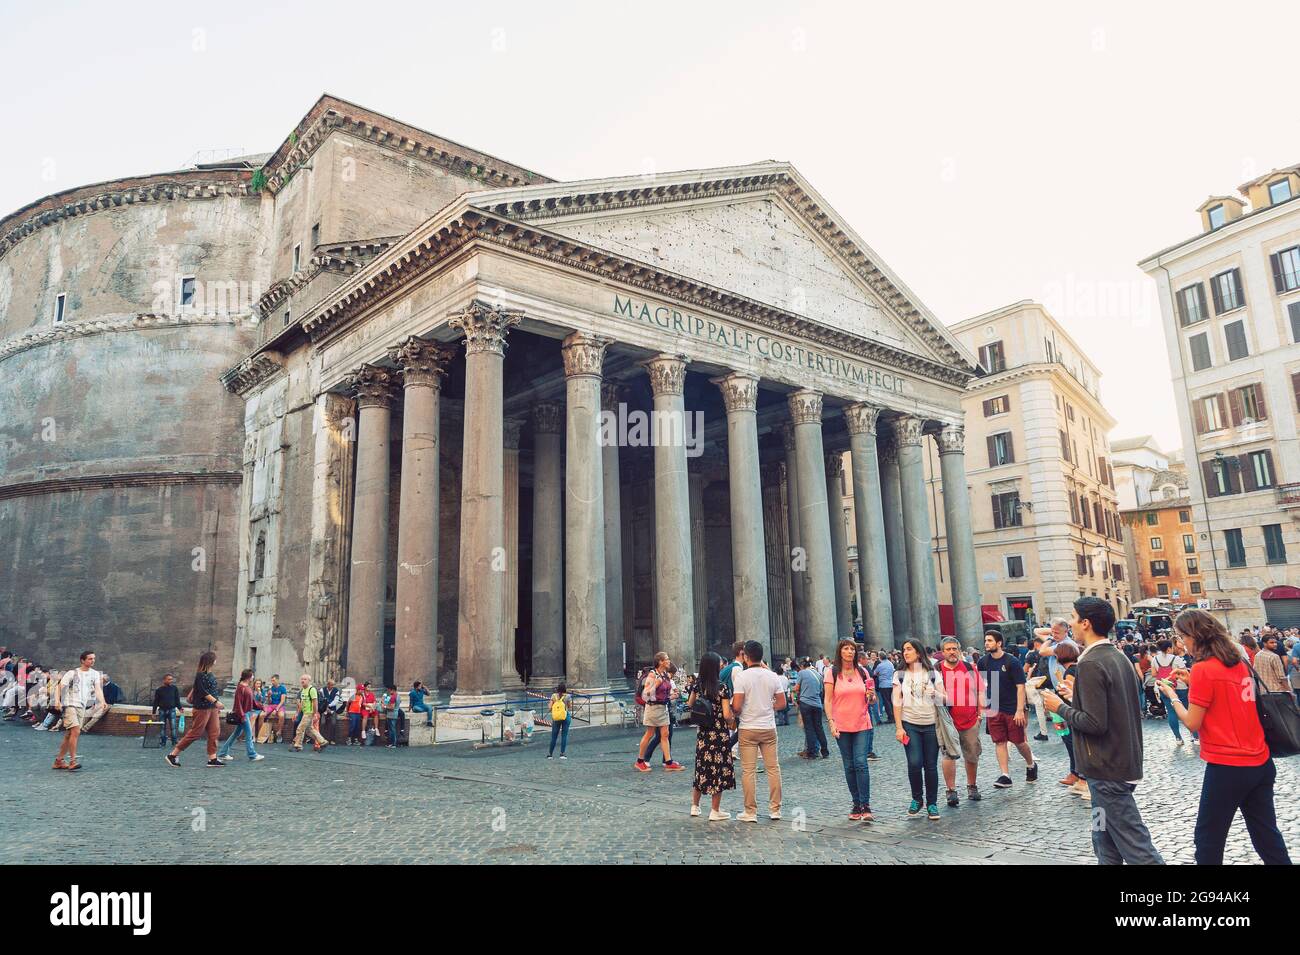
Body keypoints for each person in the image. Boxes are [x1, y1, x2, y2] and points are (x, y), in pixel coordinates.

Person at [1159, 609, 1291, 865]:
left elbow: (1192, 723)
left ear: (1195, 636)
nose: (1181, 642)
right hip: (1261, 761)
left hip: (1228, 766)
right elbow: (1226, 697)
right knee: (1266, 835)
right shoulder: (1240, 663)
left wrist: (1173, 697)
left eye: (1182, 636)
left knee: (1208, 839)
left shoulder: (1204, 669)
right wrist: (1193, 680)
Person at [1041, 597, 1164, 865]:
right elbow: (1112, 706)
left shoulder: (1090, 663)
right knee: (1103, 841)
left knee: (1137, 848)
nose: (1071, 624)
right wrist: (1077, 697)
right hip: (1113, 767)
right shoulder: (1116, 656)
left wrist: (1059, 706)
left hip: (1107, 770)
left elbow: (1095, 724)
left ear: (1086, 623)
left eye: (1073, 618)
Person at [731, 640, 786, 822]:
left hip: (748, 728)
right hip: (768, 727)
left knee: (748, 771)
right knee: (773, 768)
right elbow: (782, 703)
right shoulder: (772, 676)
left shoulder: (742, 677)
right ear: (762, 656)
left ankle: (750, 811)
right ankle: (775, 809)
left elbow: (737, 706)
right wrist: (768, 707)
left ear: (745, 656)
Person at [978, 630, 1038, 788]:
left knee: (1019, 742)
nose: (986, 643)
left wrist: (1020, 710)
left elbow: (1020, 686)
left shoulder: (1012, 662)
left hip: (1012, 708)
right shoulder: (983, 662)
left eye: (990, 641)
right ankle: (1005, 775)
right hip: (994, 708)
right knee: (999, 742)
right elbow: (982, 686)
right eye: (986, 640)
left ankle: (1031, 764)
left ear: (999, 643)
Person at [825, 639, 876, 822]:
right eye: (846, 649)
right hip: (841, 724)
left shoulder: (862, 671)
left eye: (852, 649)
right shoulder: (832, 673)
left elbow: (872, 698)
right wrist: (831, 722)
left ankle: (866, 804)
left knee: (861, 763)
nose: (850, 652)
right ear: (840, 652)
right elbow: (828, 700)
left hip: (862, 722)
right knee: (849, 765)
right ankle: (856, 803)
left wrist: (871, 697)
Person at [893, 638, 944, 820]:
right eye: (904, 649)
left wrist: (936, 694)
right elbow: (896, 701)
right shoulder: (899, 674)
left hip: (931, 724)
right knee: (914, 763)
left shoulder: (932, 673)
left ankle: (932, 803)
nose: (905, 652)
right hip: (910, 723)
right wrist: (899, 727)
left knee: (930, 766)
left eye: (909, 649)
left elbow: (945, 698)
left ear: (918, 652)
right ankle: (917, 798)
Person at [688, 651, 735, 820]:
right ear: (715, 667)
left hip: (703, 733)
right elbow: (726, 714)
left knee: (701, 768)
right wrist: (732, 721)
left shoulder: (698, 685)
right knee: (718, 770)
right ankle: (715, 810)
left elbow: (690, 704)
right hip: (719, 734)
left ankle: (695, 806)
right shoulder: (722, 687)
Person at [938, 637, 983, 808]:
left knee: (972, 754)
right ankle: (951, 790)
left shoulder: (969, 668)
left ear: (959, 650)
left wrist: (980, 714)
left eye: (954, 649)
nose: (952, 652)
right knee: (948, 755)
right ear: (943, 652)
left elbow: (980, 691)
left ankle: (972, 786)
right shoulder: (937, 670)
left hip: (970, 719)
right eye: (948, 649)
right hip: (948, 721)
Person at [166, 651, 225, 769]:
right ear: (210, 661)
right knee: (195, 733)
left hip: (212, 708)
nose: (216, 661)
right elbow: (203, 692)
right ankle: (173, 755)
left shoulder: (211, 675)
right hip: (202, 708)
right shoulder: (200, 675)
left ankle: (212, 758)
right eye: (214, 659)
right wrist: (216, 702)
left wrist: (215, 705)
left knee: (215, 732)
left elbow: (211, 690)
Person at [52, 651, 105, 772]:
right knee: (76, 731)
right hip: (69, 704)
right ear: (82, 660)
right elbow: (58, 688)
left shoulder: (95, 674)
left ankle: (59, 761)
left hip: (81, 706)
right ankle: (72, 761)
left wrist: (102, 701)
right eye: (90, 659)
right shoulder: (72, 673)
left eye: (94, 659)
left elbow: (98, 689)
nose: (93, 661)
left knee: (70, 734)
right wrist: (57, 701)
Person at [635, 653, 684, 772]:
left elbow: (665, 693)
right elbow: (646, 694)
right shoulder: (652, 675)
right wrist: (655, 685)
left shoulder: (666, 675)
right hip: (653, 708)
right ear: (660, 662)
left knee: (665, 734)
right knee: (649, 734)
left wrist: (673, 695)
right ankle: (640, 761)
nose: (669, 661)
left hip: (663, 708)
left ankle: (668, 762)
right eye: (667, 659)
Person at [217, 668, 265, 762]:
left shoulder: (246, 687)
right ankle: (252, 754)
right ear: (249, 677)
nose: (253, 677)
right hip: (243, 714)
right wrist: (242, 716)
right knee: (248, 734)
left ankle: (223, 753)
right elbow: (238, 703)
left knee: (236, 734)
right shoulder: (241, 687)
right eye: (252, 675)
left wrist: (260, 706)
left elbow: (252, 701)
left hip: (244, 713)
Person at [1151, 638, 1193, 744]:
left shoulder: (1154, 659)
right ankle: (1195, 736)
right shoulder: (1176, 658)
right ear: (1169, 648)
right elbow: (1184, 672)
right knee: (1187, 710)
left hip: (1165, 688)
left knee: (1171, 711)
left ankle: (1178, 738)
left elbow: (1154, 674)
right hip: (1180, 687)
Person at [795, 658, 829, 759]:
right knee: (819, 728)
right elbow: (821, 690)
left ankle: (812, 752)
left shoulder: (802, 673)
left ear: (801, 666)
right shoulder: (818, 674)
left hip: (806, 703)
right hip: (817, 704)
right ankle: (825, 751)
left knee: (809, 728)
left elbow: (797, 688)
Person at [1022, 637, 1051, 741]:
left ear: (1035, 644)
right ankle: (1064, 731)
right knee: (1053, 707)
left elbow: (1025, 669)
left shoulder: (1031, 655)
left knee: (1039, 708)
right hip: (1049, 683)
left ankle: (1044, 733)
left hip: (1037, 684)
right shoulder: (1048, 653)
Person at [292, 674, 329, 751]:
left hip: (310, 712)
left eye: (305, 679)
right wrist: (298, 713)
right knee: (309, 730)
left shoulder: (312, 689)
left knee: (300, 728)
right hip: (305, 712)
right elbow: (302, 703)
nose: (302, 680)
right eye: (302, 679)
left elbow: (315, 702)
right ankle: (322, 741)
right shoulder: (302, 690)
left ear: (309, 681)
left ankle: (298, 745)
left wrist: (315, 713)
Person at [151, 673, 182, 749]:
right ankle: (163, 741)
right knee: (162, 727)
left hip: (172, 709)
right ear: (164, 680)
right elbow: (156, 702)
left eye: (171, 679)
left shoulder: (174, 688)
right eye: (169, 679)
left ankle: (174, 741)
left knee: (173, 726)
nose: (170, 681)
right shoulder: (159, 690)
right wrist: (153, 712)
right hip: (162, 710)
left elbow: (177, 699)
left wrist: (180, 708)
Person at [547, 682, 571, 759]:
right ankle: (562, 754)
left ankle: (550, 754)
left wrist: (555, 710)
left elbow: (549, 706)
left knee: (554, 736)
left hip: (556, 718)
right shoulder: (568, 696)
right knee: (564, 735)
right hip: (565, 716)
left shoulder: (554, 696)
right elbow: (569, 707)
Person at [265, 674, 289, 742]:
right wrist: (269, 696)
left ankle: (279, 733)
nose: (272, 682)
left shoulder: (282, 688)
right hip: (271, 705)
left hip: (280, 705)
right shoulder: (270, 688)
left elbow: (282, 701)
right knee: (262, 714)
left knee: (281, 716)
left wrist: (276, 709)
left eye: (274, 680)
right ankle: (260, 733)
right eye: (271, 680)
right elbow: (269, 702)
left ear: (278, 680)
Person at [875, 651, 896, 725]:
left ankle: (891, 717)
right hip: (890, 683)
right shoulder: (890, 663)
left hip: (883, 685)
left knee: (886, 702)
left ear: (879, 657)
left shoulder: (880, 665)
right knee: (890, 701)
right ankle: (893, 716)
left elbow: (875, 673)